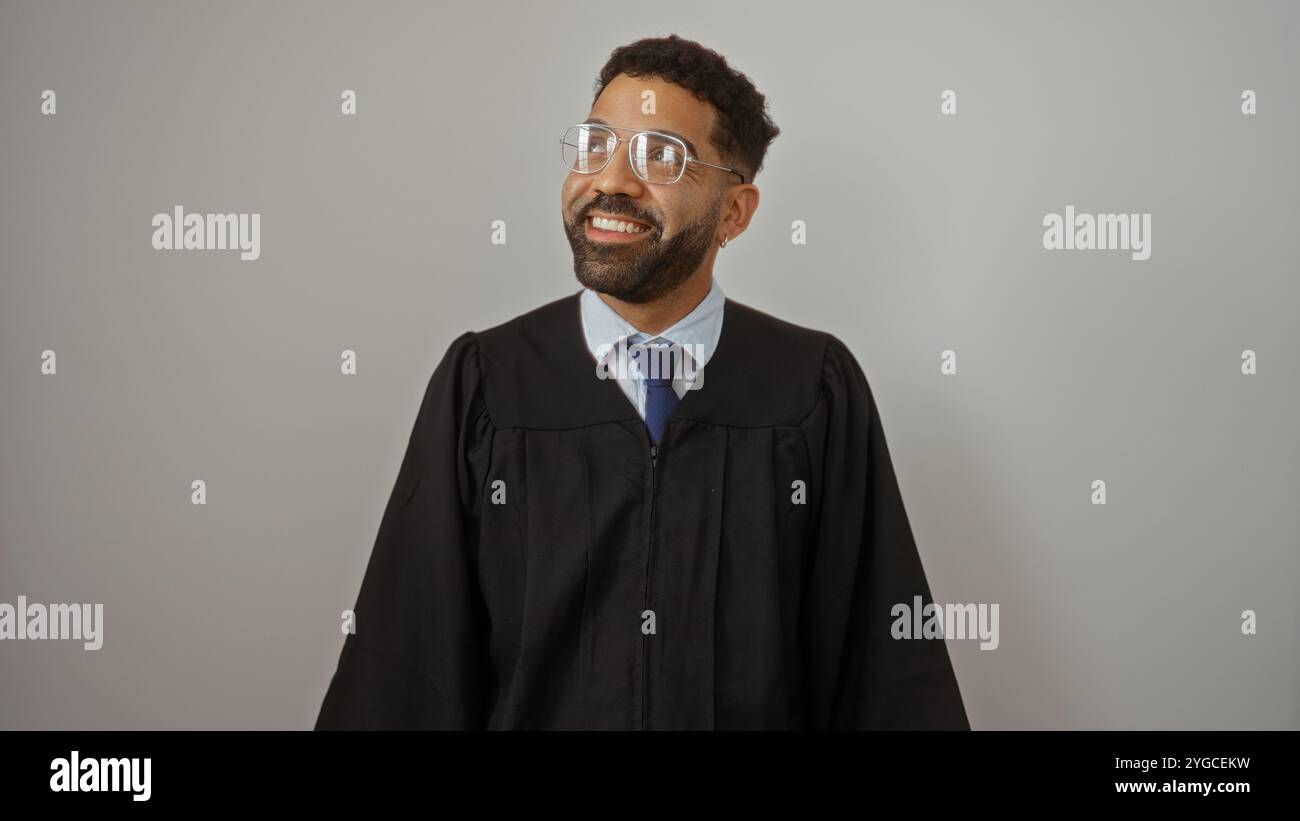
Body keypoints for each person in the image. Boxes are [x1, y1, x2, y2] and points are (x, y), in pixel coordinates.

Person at [316, 34, 969, 730]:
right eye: (596, 144)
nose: (611, 181)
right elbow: (405, 668)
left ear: (734, 212)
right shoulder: (488, 385)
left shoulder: (810, 391)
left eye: (661, 155)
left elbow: (882, 677)